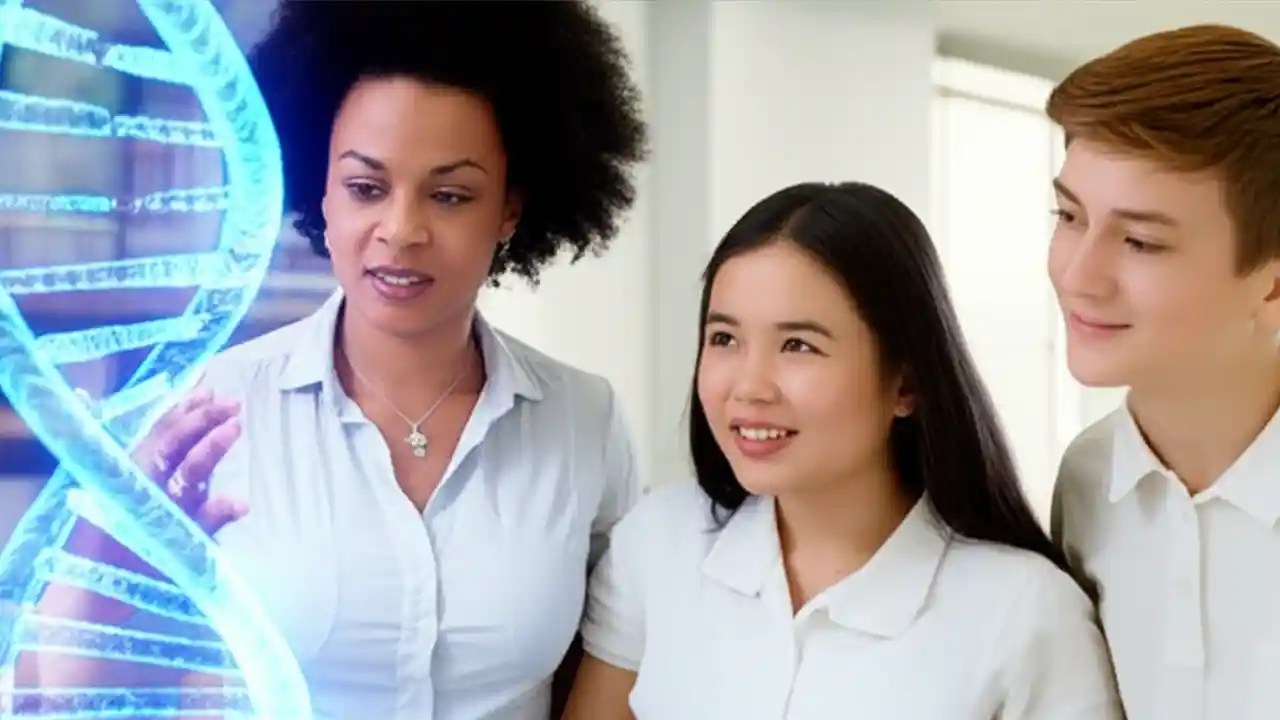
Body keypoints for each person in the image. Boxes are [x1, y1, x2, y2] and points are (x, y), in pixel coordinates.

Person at [20, 1, 647, 718]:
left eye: (450, 195)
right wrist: (109, 559)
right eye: (365, 187)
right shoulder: (213, 409)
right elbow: (65, 693)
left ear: (509, 209)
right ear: (320, 189)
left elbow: (616, 665)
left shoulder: (583, 420)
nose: (401, 230)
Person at [562, 181, 1122, 718]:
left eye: (798, 345)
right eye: (725, 339)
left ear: (906, 384)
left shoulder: (1025, 611)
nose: (749, 386)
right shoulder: (659, 543)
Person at [1047, 24, 1280, 720]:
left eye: (1141, 241)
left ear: (1271, 288)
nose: (1078, 277)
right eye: (1067, 215)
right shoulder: (1087, 483)